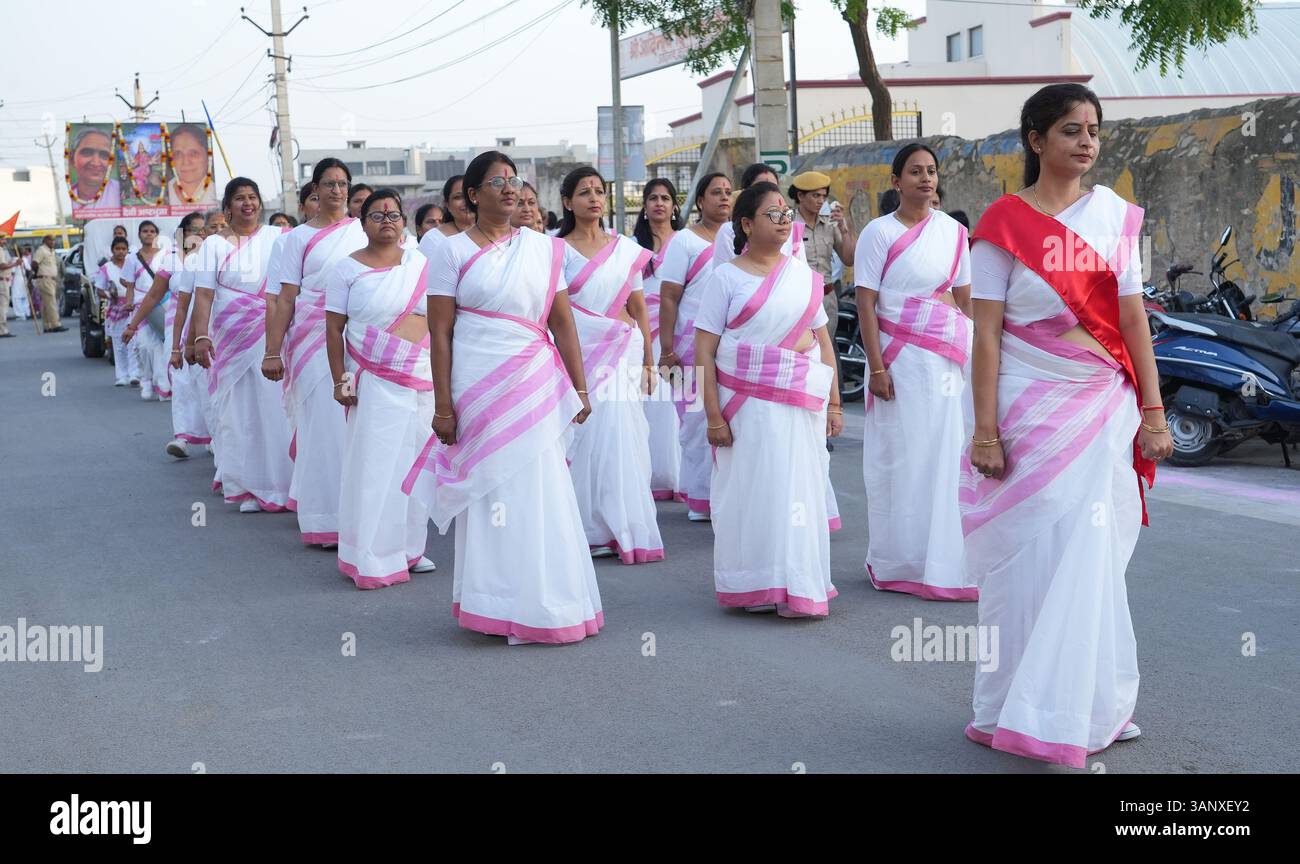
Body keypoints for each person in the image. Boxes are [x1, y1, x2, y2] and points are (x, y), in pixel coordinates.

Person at [962, 83, 1173, 767]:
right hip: (1030, 409)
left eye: (1093, 130)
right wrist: (985, 431)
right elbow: (986, 336)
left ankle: (1090, 705)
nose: (1086, 143)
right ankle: (1013, 706)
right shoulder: (1001, 224)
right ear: (1035, 141)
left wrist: (1153, 410)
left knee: (1094, 559)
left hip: (1102, 408)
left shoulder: (1113, 217)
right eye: (1070, 131)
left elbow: (1133, 317)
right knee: (1028, 562)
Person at [404, 150, 601, 644]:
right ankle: (495, 602)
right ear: (472, 195)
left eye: (514, 180)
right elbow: (441, 332)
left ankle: (550, 602)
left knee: (542, 486)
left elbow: (562, 322)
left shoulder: (541, 248)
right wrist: (443, 406)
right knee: (492, 488)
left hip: (534, 381)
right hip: (478, 385)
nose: (510, 189)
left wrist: (579, 387)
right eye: (498, 181)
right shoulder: (448, 251)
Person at [696, 181, 842, 616]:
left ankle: (798, 582)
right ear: (746, 224)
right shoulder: (725, 278)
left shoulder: (804, 277)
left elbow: (823, 341)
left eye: (785, 214)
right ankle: (754, 581)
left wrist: (834, 402)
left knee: (798, 487)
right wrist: (712, 415)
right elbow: (704, 350)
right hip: (745, 405)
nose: (783, 220)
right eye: (771, 214)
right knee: (751, 488)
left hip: (799, 402)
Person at [854, 142, 976, 601]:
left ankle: (945, 560)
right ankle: (899, 560)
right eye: (915, 171)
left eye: (931, 171)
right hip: (899, 362)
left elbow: (964, 300)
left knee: (947, 455)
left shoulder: (953, 233)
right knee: (902, 457)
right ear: (896, 181)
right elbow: (866, 302)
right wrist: (877, 366)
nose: (925, 179)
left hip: (946, 360)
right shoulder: (877, 233)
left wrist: (979, 352)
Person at [324, 189, 435, 588]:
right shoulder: (346, 270)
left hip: (421, 376)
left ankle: (410, 549)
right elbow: (333, 329)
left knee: (416, 466)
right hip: (373, 378)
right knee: (375, 467)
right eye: (377, 215)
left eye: (393, 214)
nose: (387, 220)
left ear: (403, 221)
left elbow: (440, 323)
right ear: (362, 223)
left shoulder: (422, 264)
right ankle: (372, 554)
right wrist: (340, 379)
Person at [558, 167, 663, 563]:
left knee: (624, 437)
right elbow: (556, 312)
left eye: (599, 191)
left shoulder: (623, 249)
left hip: (622, 354)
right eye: (584, 192)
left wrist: (650, 363)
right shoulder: (556, 250)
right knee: (584, 439)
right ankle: (589, 529)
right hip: (579, 356)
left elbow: (638, 308)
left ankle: (626, 526)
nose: (593, 198)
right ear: (568, 202)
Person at [264, 157, 363, 548]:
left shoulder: (364, 231)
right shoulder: (295, 239)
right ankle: (326, 520)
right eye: (329, 184)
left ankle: (360, 520)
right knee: (322, 427)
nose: (337, 190)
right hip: (311, 339)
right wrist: (274, 350)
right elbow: (285, 298)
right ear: (315, 191)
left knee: (355, 427)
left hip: (359, 336)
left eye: (343, 183)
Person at [190, 177, 294, 513]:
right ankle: (246, 486)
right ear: (227, 207)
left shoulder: (278, 238)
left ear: (260, 203)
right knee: (238, 412)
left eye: (252, 197)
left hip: (271, 333)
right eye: (239, 198)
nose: (247, 203)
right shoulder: (213, 245)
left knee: (275, 408)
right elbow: (204, 293)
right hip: (230, 338)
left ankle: (284, 483)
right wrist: (201, 335)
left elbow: (289, 289)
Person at [656, 172, 731, 521]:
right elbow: (669, 297)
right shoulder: (684, 242)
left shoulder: (737, 238)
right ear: (700, 201)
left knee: (726, 415)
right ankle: (701, 496)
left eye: (729, 192)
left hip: (728, 342)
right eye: (716, 192)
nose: (724, 198)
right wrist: (668, 350)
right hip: (690, 343)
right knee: (696, 422)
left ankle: (726, 493)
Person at [122, 212, 211, 456]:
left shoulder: (217, 256)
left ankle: (214, 435)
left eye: (204, 230)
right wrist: (133, 325)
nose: (200, 234)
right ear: (183, 233)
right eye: (194, 229)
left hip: (210, 329)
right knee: (182, 381)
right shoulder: (172, 260)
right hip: (178, 329)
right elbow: (152, 296)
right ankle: (182, 436)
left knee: (208, 382)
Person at [632, 177, 684, 501]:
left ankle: (679, 476)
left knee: (679, 404)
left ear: (674, 205)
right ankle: (649, 474)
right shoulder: (633, 247)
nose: (660, 203)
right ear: (645, 206)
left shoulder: (685, 242)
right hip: (642, 333)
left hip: (678, 333)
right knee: (650, 403)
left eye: (665, 198)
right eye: (653, 198)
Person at [710, 163, 806, 274]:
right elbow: (722, 273)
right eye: (761, 187)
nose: (769, 192)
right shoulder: (728, 231)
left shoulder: (790, 227)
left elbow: (802, 274)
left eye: (773, 187)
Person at [120, 221, 171, 401]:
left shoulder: (166, 255)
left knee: (162, 345)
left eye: (152, 231)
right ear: (139, 234)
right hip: (142, 306)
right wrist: (128, 302)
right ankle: (146, 380)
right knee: (144, 346)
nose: (148, 234)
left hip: (163, 303)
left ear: (157, 234)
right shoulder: (132, 258)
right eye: (145, 231)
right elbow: (129, 285)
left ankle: (162, 383)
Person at [97, 238, 135, 382]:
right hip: (116, 309)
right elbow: (99, 289)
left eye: (123, 249)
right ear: (112, 250)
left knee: (133, 342)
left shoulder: (132, 265)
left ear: (127, 250)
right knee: (119, 343)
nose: (121, 252)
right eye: (118, 249)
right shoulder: (106, 268)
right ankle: (121, 375)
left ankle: (134, 374)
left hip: (132, 306)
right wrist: (110, 295)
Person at [69, 127, 121, 210]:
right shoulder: (65, 197)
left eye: (104, 155)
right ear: (72, 159)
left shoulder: (121, 192)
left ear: (112, 163)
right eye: (87, 153)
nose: (95, 163)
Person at [166, 124, 216, 206]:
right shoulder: (162, 193)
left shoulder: (216, 195)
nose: (185, 161)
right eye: (178, 154)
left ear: (208, 157)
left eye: (193, 153)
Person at [32, 235, 65, 332]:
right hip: (45, 278)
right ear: (45, 240)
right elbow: (34, 263)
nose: (53, 242)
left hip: (51, 279)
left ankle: (48, 325)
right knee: (51, 302)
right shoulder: (41, 250)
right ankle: (55, 324)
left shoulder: (51, 251)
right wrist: (39, 273)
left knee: (46, 304)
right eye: (51, 240)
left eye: (54, 240)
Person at [0, 241, 16, 337]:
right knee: (3, 307)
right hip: (2, 281)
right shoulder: (0, 250)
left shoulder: (3, 250)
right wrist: (15, 264)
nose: (5, 241)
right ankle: (3, 330)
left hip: (4, 280)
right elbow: (2, 266)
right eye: (3, 239)